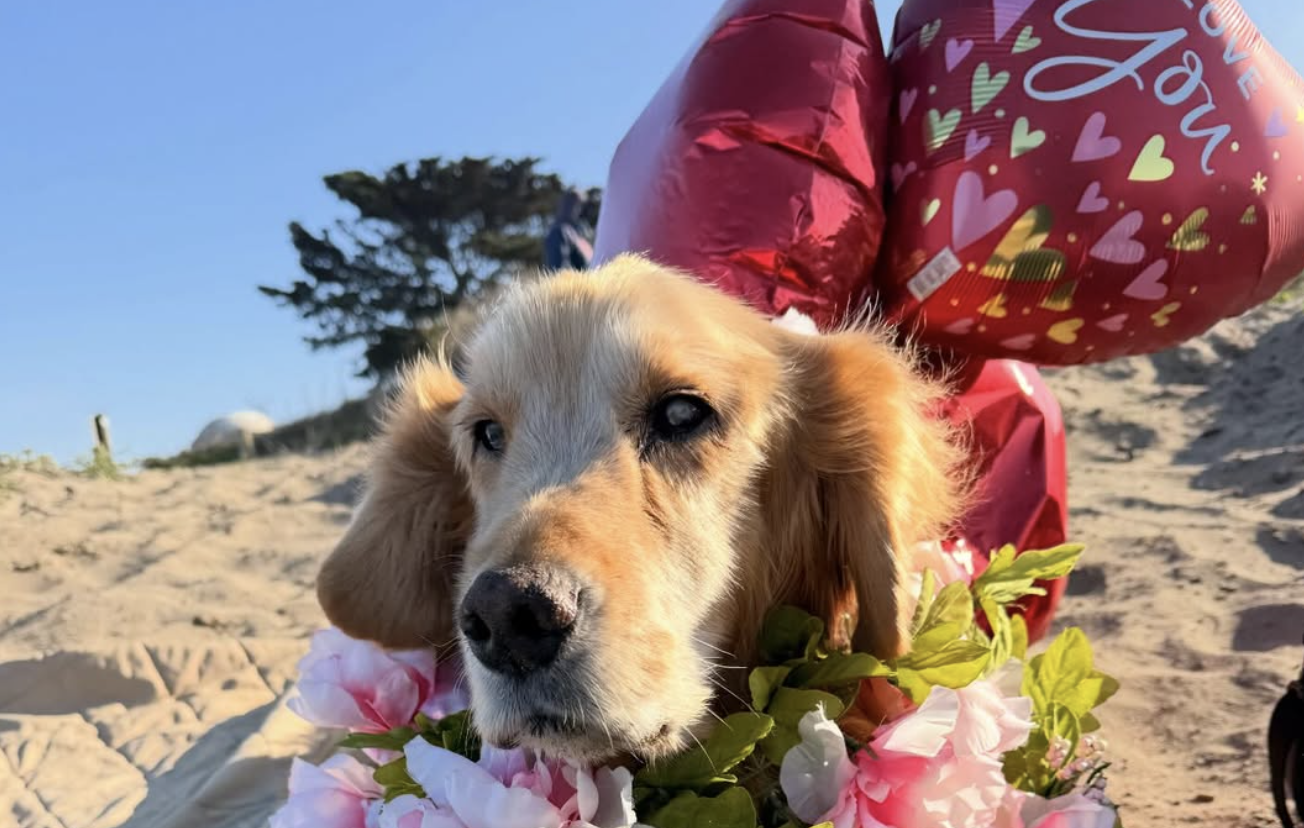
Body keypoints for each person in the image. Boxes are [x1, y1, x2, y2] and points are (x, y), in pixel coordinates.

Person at [544, 189, 594, 271]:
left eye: (577, 204)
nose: (571, 207)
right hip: (575, 282)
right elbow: (557, 269)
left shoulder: (579, 231)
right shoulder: (558, 232)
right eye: (568, 203)